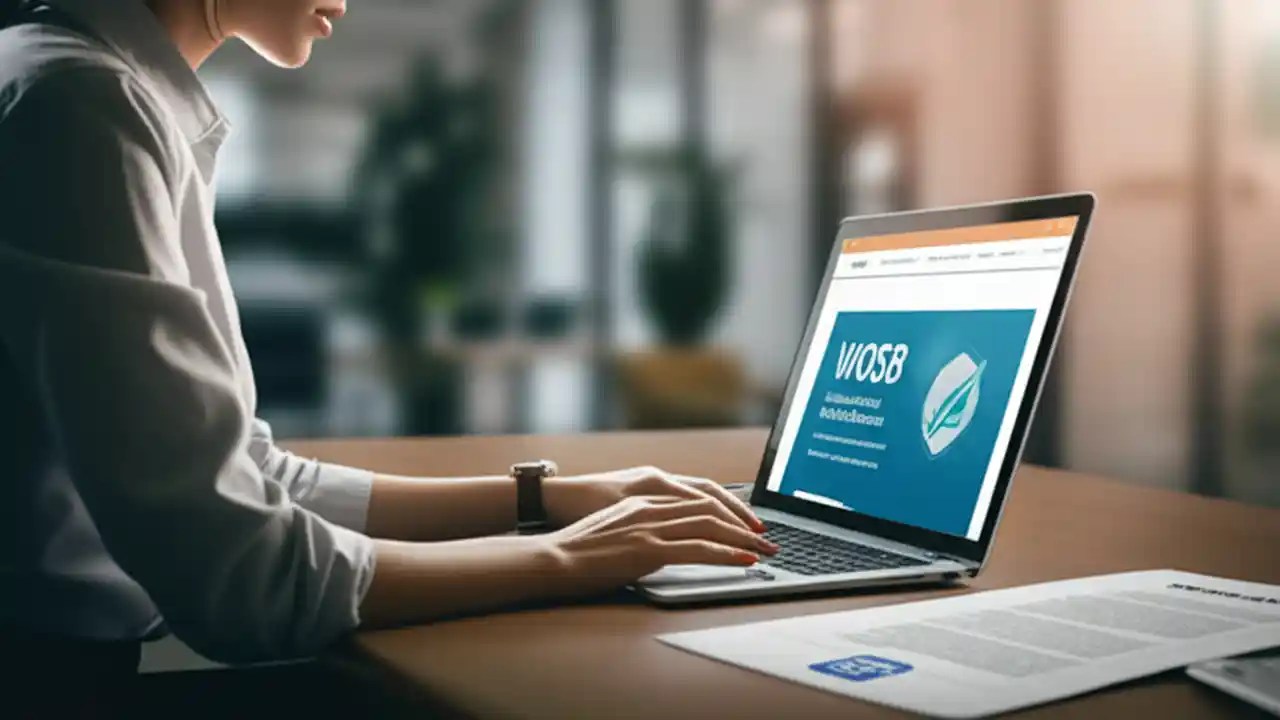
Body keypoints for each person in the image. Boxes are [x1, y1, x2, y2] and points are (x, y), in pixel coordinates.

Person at [0, 0, 779, 711]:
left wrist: (547, 497)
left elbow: (253, 479)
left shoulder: (92, 86)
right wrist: (564, 558)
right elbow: (244, 578)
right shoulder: (81, 109)